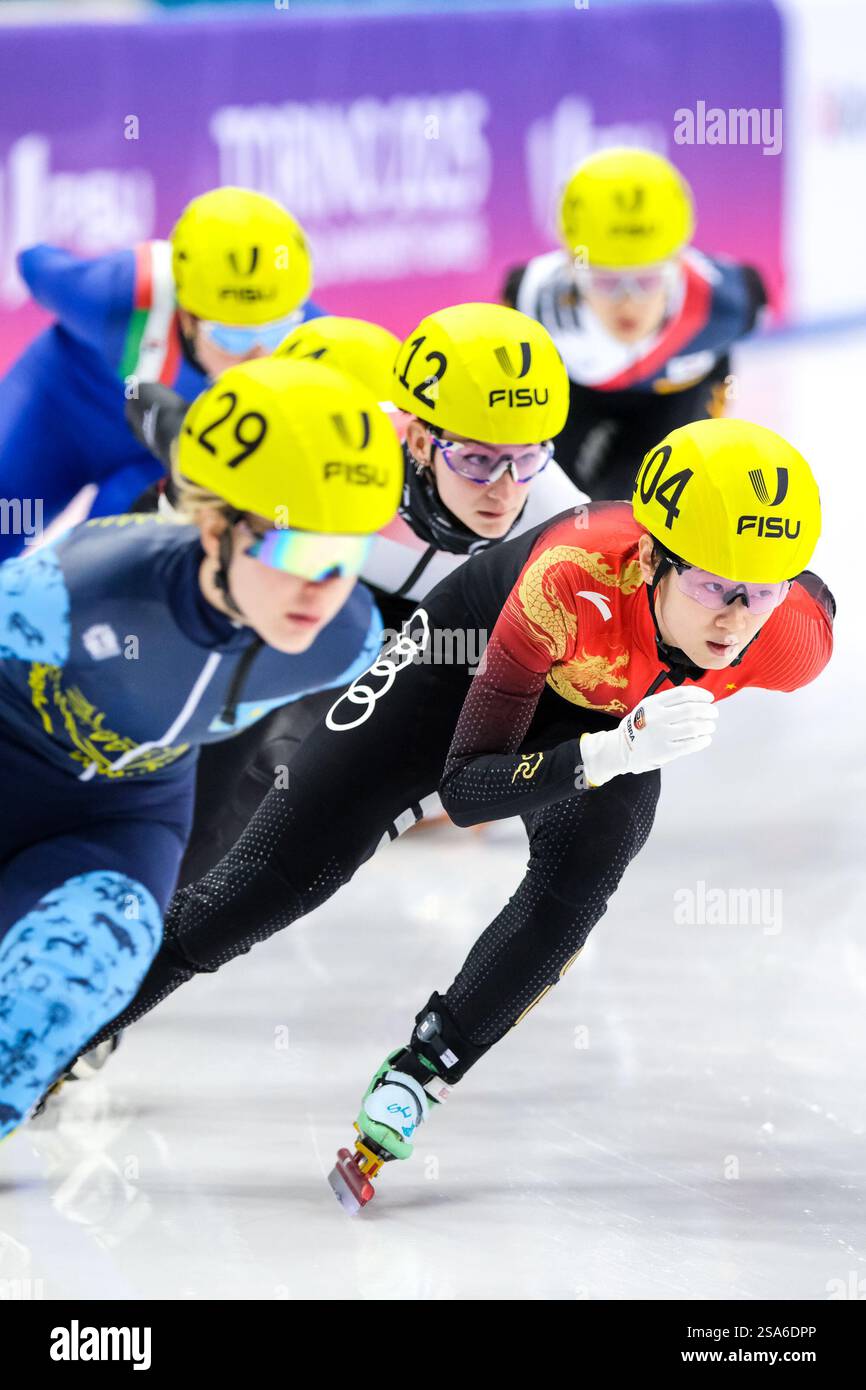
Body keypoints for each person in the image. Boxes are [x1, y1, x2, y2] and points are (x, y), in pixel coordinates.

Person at [77, 404, 834, 1205]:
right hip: (463, 668)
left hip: (616, 713)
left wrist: (616, 750)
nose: (735, 620)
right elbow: (470, 791)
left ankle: (425, 1067)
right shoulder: (568, 579)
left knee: (589, 865)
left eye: (759, 593)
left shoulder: (789, 640)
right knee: (271, 880)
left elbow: (790, 606)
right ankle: (66, 1020)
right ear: (650, 556)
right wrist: (615, 751)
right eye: (714, 586)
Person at [0, 356, 404, 1141]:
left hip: (120, 817)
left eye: (348, 554)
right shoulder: (84, 588)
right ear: (213, 528)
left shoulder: (346, 638)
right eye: (295, 551)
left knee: (93, 967)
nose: (322, 588)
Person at [124, 305, 588, 885]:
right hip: (338, 599)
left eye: (525, 459)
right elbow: (170, 432)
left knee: (286, 762)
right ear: (419, 441)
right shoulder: (348, 461)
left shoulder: (559, 520)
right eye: (475, 459)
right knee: (250, 751)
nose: (502, 486)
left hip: (445, 633)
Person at [0, 187, 321, 564]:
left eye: (275, 331)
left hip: (157, 454)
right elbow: (34, 262)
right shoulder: (114, 295)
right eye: (233, 336)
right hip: (57, 418)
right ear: (186, 316)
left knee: (105, 571)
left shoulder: (312, 338)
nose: (259, 355)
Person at [503, 147, 767, 500]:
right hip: (575, 391)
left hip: (678, 393)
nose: (628, 303)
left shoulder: (727, 306)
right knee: (549, 498)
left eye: (647, 280)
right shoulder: (532, 301)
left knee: (641, 504)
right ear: (571, 265)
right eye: (606, 281)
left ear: (677, 263)